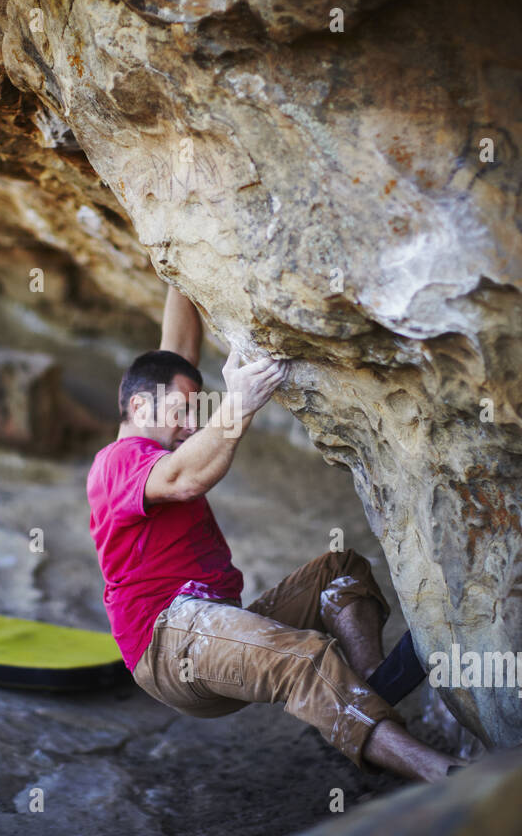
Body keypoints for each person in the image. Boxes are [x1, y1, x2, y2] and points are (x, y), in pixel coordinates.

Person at [86, 284, 462, 781]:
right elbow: (184, 478)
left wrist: (173, 268)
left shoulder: (160, 415)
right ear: (137, 409)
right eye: (183, 412)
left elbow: (174, 353)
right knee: (303, 657)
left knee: (340, 571)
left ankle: (365, 694)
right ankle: (441, 772)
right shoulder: (118, 462)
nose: (191, 424)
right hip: (169, 643)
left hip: (209, 626)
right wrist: (238, 404)